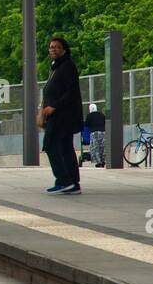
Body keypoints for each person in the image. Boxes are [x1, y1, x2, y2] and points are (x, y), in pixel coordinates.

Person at [40, 36, 83, 194]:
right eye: (51, 47)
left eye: (57, 47)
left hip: (62, 116)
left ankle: (64, 180)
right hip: (58, 115)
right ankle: (73, 183)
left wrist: (54, 106)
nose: (53, 49)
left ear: (64, 50)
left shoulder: (67, 66)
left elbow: (72, 92)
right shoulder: (56, 67)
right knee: (65, 147)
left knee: (51, 145)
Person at [85, 103, 107, 168]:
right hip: (103, 132)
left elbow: (86, 125)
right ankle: (103, 161)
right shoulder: (101, 114)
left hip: (94, 133)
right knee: (102, 147)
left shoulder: (89, 116)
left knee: (95, 148)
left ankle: (98, 162)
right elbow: (105, 122)